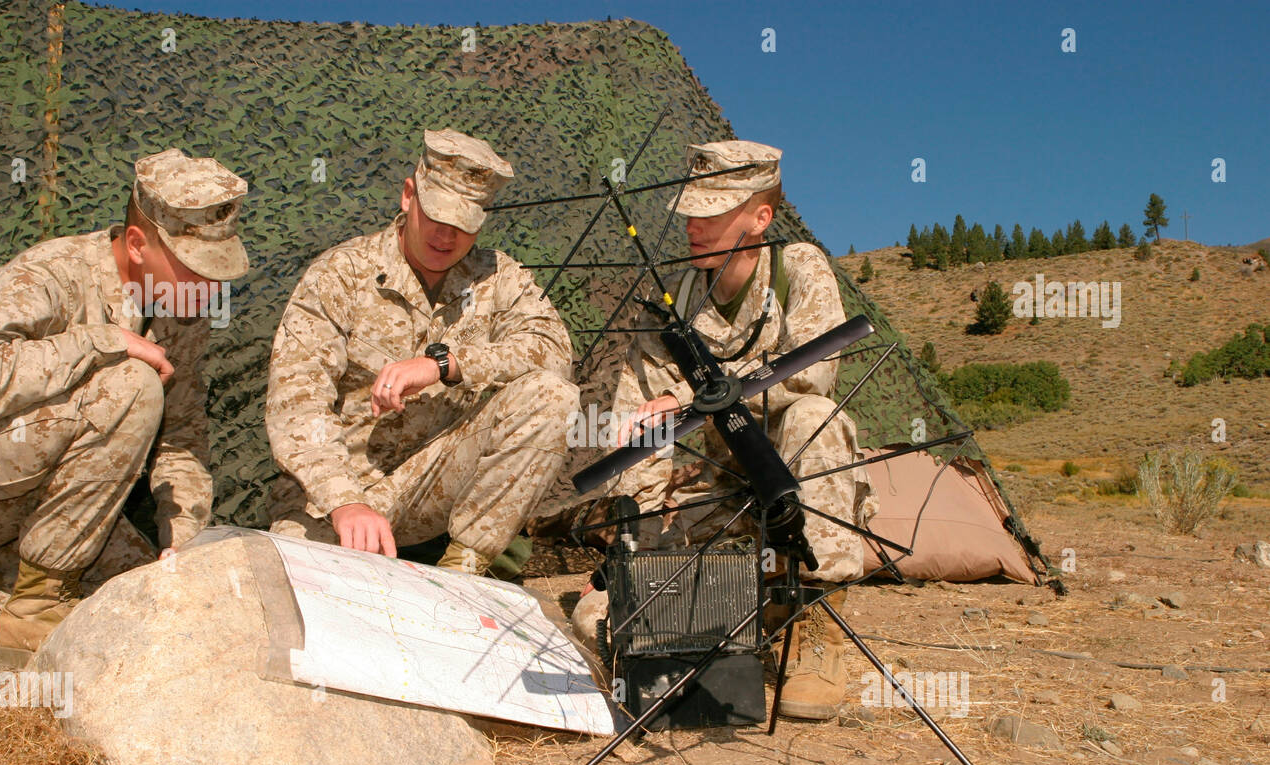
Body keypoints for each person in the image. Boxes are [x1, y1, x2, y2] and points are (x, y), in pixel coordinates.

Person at [605, 139, 878, 720]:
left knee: (816, 419)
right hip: (717, 490)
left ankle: (817, 622)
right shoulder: (673, 300)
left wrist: (690, 394)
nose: (695, 226)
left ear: (761, 217)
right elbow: (641, 432)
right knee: (606, 614)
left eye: (716, 211)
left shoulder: (797, 268)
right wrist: (631, 543)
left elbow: (814, 374)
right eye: (692, 211)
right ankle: (762, 603)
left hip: (788, 481)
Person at [0, 149, 250, 663]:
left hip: (45, 512)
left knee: (151, 601)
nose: (211, 290)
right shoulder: (51, 275)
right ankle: (35, 606)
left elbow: (181, 434)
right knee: (133, 383)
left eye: (218, 274)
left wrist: (182, 540)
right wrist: (101, 341)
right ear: (139, 244)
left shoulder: (179, 311)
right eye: (195, 271)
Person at [266, 128, 578, 574]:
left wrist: (446, 364)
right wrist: (346, 502)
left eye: (464, 225)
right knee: (300, 592)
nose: (447, 237)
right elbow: (295, 406)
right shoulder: (341, 274)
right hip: (337, 500)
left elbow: (554, 351)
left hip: (432, 491)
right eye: (437, 216)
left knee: (552, 396)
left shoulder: (498, 277)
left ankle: (462, 574)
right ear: (409, 196)